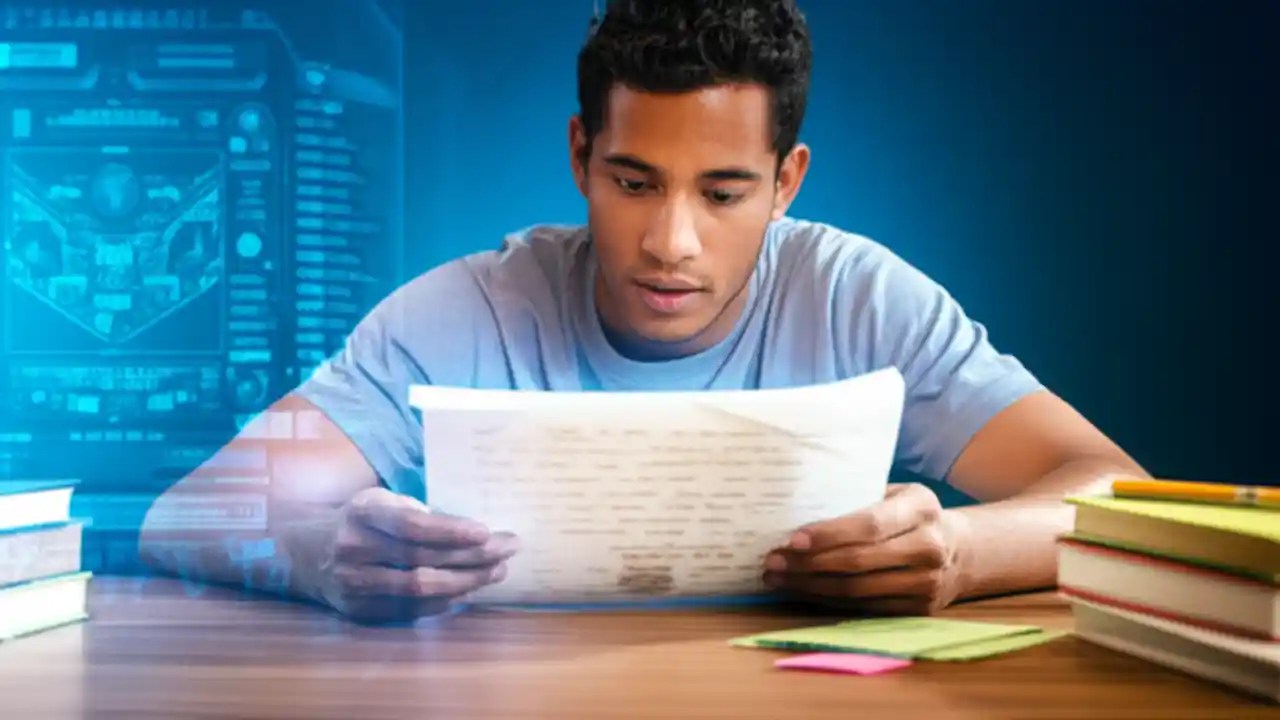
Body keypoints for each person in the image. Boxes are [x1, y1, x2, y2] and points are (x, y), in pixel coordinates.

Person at [139, 0, 1147, 622]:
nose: (671, 243)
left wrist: (960, 555)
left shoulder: (859, 297)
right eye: (632, 183)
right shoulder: (462, 311)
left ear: (786, 182)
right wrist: (318, 555)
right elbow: (188, 514)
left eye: (723, 193)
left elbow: (1113, 489)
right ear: (579, 155)